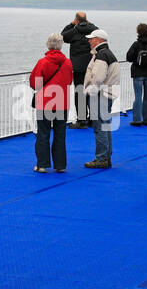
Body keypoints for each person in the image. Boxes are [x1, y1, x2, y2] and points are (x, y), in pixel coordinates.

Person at [29, 33, 73, 173]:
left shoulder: (43, 62)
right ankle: (60, 165)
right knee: (60, 134)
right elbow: (69, 81)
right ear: (61, 45)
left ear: (48, 44)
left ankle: (42, 165)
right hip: (62, 102)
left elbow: (35, 83)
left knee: (43, 133)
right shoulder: (67, 62)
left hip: (45, 102)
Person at [82, 28, 123, 169]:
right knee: (105, 125)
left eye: (91, 38)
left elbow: (98, 78)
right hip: (108, 94)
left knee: (99, 126)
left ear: (99, 40)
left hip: (100, 95)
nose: (89, 40)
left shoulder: (101, 56)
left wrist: (89, 91)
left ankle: (101, 158)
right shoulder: (109, 54)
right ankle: (107, 155)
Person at [61, 12, 97, 128]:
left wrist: (72, 24)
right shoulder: (93, 30)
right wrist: (90, 24)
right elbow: (99, 33)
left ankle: (81, 120)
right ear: (86, 20)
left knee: (80, 93)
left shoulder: (73, 31)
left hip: (78, 68)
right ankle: (93, 119)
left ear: (76, 20)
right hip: (91, 67)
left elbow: (62, 36)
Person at [125, 23, 147, 126]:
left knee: (138, 96)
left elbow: (128, 57)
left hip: (137, 73)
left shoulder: (136, 45)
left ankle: (137, 119)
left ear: (139, 32)